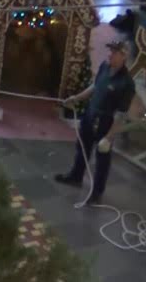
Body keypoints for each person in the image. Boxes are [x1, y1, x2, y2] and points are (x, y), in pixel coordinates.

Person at [54, 41, 136, 204]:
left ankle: (97, 191)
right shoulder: (105, 67)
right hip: (90, 114)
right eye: (110, 51)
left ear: (124, 56)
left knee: (102, 157)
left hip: (106, 122)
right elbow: (95, 86)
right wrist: (76, 98)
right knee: (82, 147)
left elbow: (121, 114)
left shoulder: (127, 84)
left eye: (114, 52)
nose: (109, 55)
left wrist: (109, 137)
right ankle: (76, 176)